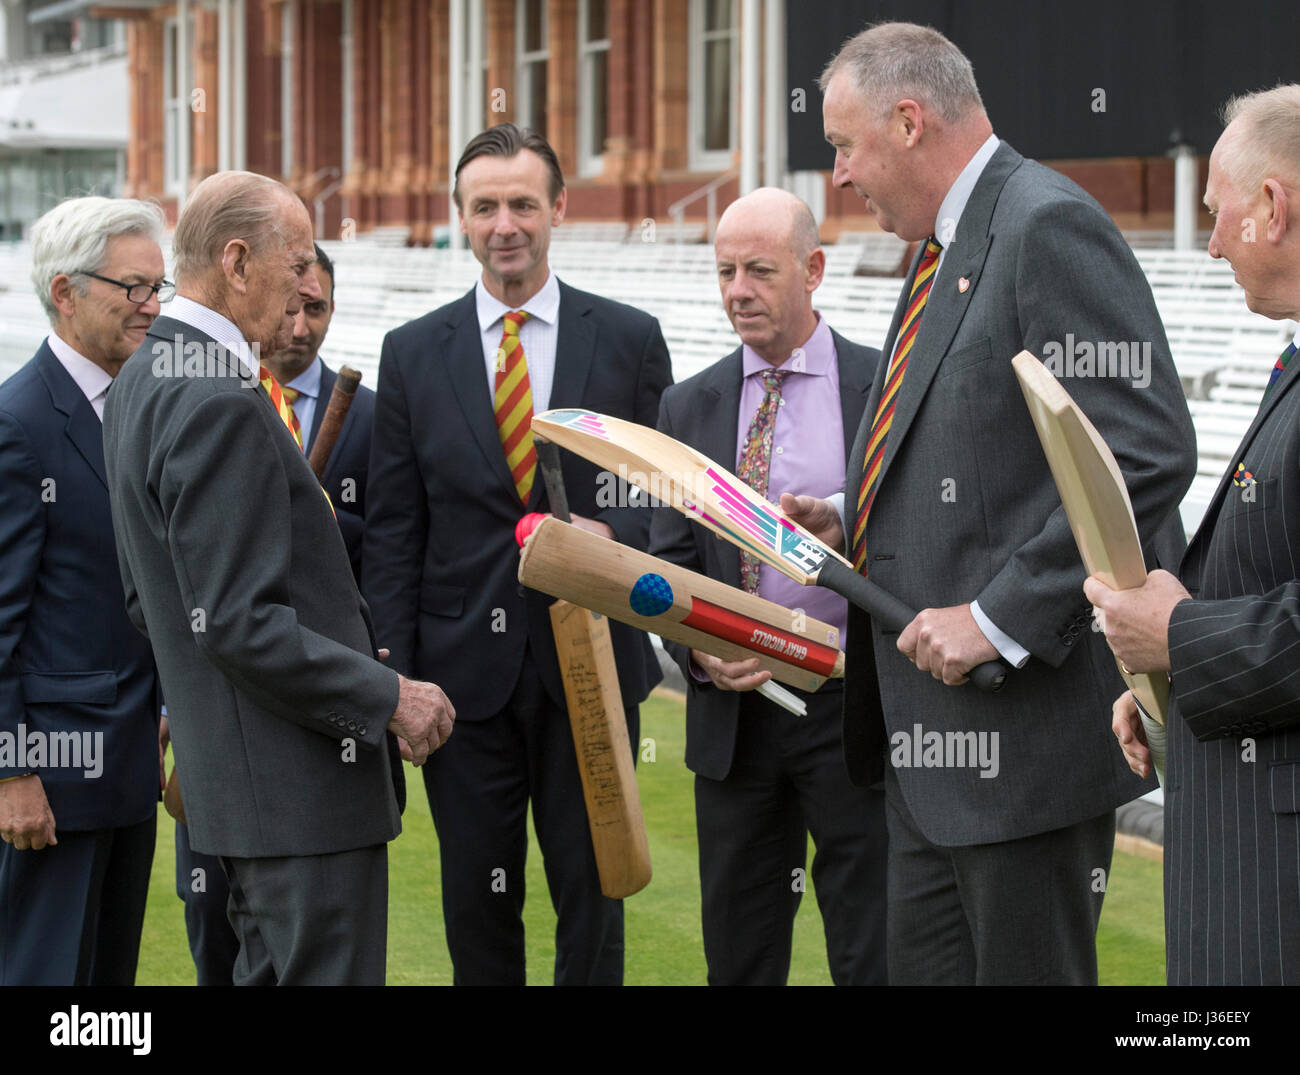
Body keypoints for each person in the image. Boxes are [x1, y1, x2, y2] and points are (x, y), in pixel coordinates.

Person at [785, 21, 1197, 984]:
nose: (839, 175)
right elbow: (978, 443)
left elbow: (1142, 451)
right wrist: (860, 510)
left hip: (1021, 759)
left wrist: (998, 615)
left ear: (909, 119)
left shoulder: (1046, 222)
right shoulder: (946, 241)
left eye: (844, 145)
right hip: (926, 760)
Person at [103, 170, 454, 986]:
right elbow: (235, 622)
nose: (309, 284)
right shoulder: (218, 395)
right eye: (296, 262)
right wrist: (388, 695)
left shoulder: (141, 378)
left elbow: (148, 601)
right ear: (234, 261)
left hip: (243, 798)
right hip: (301, 803)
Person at [364, 123, 672, 986]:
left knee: (594, 896)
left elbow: (662, 493)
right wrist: (397, 676)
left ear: (558, 210)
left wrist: (624, 540)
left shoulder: (629, 338)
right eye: (486, 206)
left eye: (524, 204)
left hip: (594, 665)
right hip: (462, 685)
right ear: (459, 218)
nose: (506, 223)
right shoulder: (412, 353)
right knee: (477, 904)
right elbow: (394, 532)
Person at [1087, 84, 1300, 986]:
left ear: (1275, 206)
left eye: (1218, 217)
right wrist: (1168, 681)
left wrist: (1179, 635)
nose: (1209, 244)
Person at [647, 187, 886, 985]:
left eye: (758, 270)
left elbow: (921, 535)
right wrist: (702, 651)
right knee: (741, 956)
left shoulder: (882, 386)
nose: (737, 290)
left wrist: (848, 521)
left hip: (852, 712)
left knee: (871, 947)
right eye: (724, 273)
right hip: (736, 720)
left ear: (813, 269)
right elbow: (669, 561)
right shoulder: (689, 404)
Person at [170, 240, 376, 985]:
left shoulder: (370, 416)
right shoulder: (208, 396)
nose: (298, 324)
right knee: (218, 932)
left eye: (315, 307)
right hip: (228, 733)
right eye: (291, 302)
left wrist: (373, 654)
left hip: (326, 723)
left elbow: (388, 549)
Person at [0, 196, 168, 985]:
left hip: (129, 774)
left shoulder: (134, 407)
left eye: (157, 289)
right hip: (50, 791)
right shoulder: (18, 423)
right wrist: (11, 772)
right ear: (66, 293)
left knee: (106, 994)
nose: (152, 308)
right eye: (132, 289)